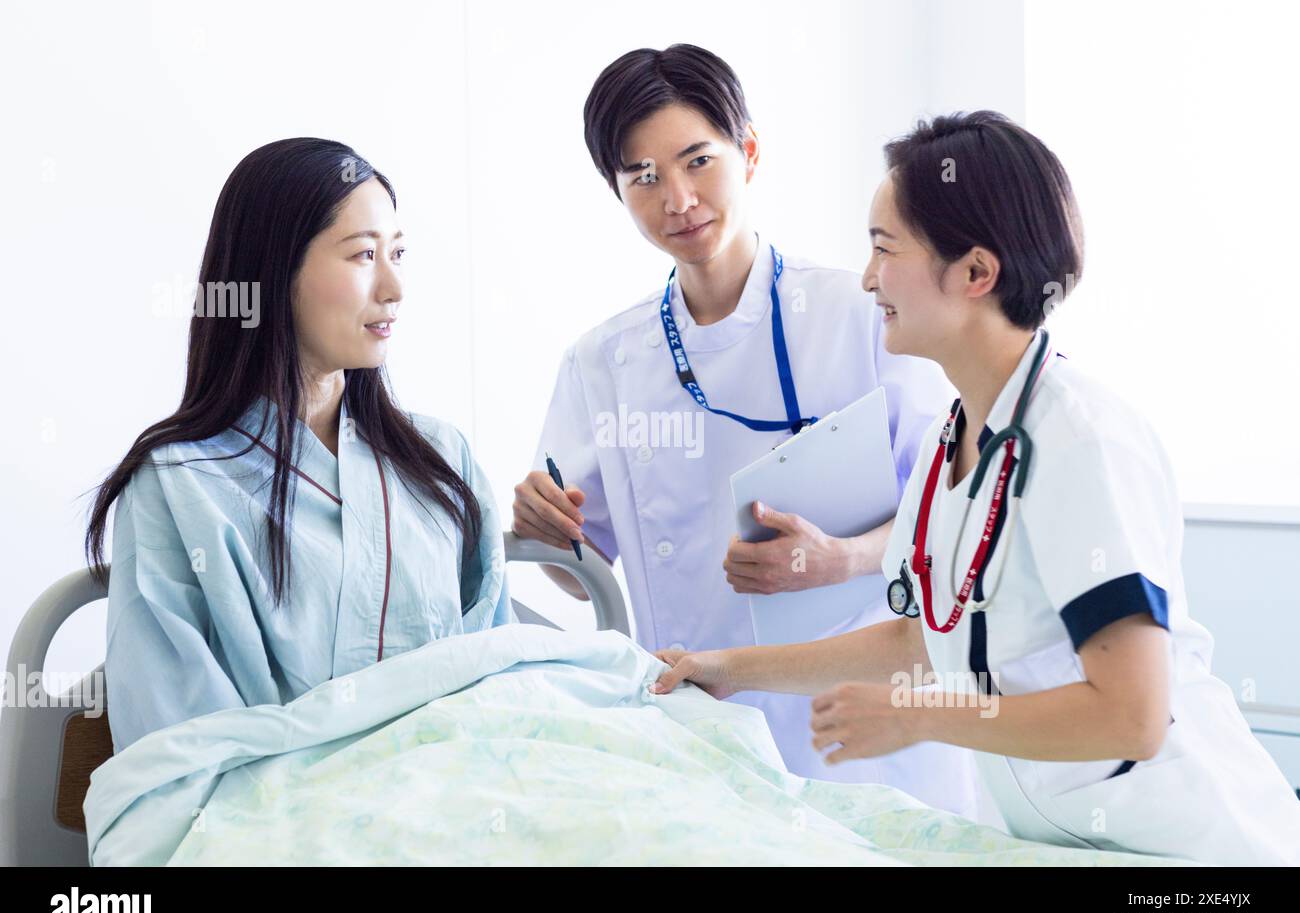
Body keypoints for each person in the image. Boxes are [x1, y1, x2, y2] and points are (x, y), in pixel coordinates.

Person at [651, 111, 1300, 865]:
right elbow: (928, 639)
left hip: (1193, 862)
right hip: (1075, 841)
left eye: (885, 249)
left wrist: (923, 715)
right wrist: (728, 668)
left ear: (976, 273)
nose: (867, 278)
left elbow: (1133, 715)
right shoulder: (949, 440)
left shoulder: (1081, 441)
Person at [513, 43, 976, 813]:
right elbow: (580, 567)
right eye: (644, 177)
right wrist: (547, 531)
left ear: (749, 152)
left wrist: (842, 556)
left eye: (698, 161)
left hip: (861, 725)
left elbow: (954, 519)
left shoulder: (865, 318)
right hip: (700, 726)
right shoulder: (602, 362)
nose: (678, 197)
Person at [84, 138, 512, 754]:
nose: (394, 287)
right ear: (272, 273)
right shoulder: (179, 485)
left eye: (398, 253)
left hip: (459, 797)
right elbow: (174, 746)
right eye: (364, 255)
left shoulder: (441, 458)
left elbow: (500, 675)